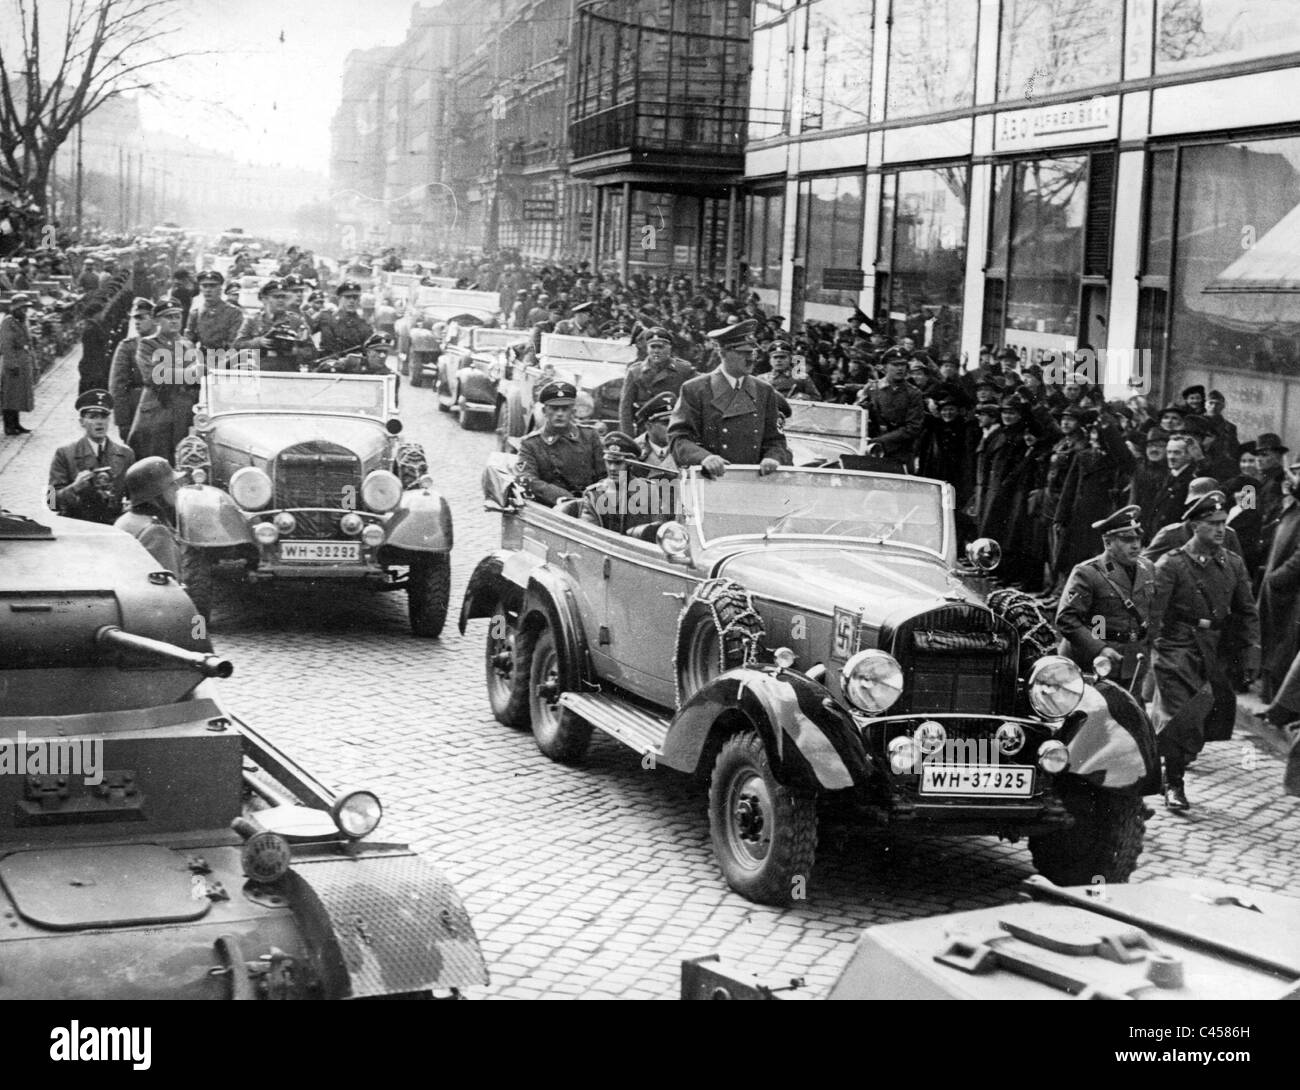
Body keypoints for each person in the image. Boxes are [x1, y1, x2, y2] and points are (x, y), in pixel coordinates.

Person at [1148, 491, 1260, 812]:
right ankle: (1175, 784)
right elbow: (1154, 614)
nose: (1221, 529)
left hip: (1214, 648)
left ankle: (1171, 759)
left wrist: (1251, 652)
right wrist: (1149, 650)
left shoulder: (1233, 565)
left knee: (1201, 718)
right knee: (1181, 714)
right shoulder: (1171, 565)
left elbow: (1247, 611)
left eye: (1223, 523)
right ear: (1195, 526)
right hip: (1176, 645)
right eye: (1212, 523)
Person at [668, 321, 791, 477]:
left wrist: (773, 458)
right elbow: (678, 439)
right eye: (743, 353)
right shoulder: (695, 389)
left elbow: (776, 440)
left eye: (752, 353)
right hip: (710, 482)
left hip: (753, 482)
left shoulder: (764, 390)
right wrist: (705, 458)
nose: (751, 359)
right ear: (723, 353)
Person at [1055, 504, 1154, 688]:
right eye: (1127, 540)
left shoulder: (1147, 569)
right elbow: (1066, 619)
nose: (1136, 545)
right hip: (1094, 664)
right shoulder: (1088, 573)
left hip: (1133, 662)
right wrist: (1100, 648)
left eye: (1138, 538)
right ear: (1108, 543)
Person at [127, 297, 199, 463]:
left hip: (182, 414)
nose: (174, 321)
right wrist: (191, 373)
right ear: (157, 320)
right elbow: (156, 376)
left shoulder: (187, 345)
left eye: (177, 316)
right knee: (153, 464)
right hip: (156, 414)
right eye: (169, 317)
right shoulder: (148, 345)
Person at [48, 389, 135, 524]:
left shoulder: (126, 454)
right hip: (78, 524)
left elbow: (135, 495)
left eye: (103, 416)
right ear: (82, 422)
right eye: (93, 417)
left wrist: (132, 505)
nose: (99, 422)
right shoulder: (65, 453)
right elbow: (51, 502)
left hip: (113, 526)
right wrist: (74, 487)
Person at [516, 380, 606, 506]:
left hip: (590, 505)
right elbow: (527, 479)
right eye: (554, 408)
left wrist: (595, 498)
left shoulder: (590, 436)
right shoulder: (531, 444)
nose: (559, 414)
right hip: (552, 507)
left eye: (565, 409)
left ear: (573, 411)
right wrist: (565, 497)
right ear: (544, 411)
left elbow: (604, 474)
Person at [1257, 458, 1300, 704]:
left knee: (1282, 646)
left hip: (1284, 587)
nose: (1254, 463)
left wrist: (1276, 578)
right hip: (1274, 579)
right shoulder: (1251, 485)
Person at [1143, 477, 1243, 563]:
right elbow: (1144, 566)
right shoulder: (1171, 534)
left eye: (1211, 507)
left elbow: (1240, 574)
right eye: (1197, 505)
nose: (1203, 510)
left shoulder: (1228, 534)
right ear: (1190, 507)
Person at [114, 455, 186, 574]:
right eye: (171, 484)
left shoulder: (125, 519)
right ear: (155, 492)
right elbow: (168, 587)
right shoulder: (157, 533)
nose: (177, 488)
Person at [619, 326, 694, 435]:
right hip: (645, 430)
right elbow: (625, 408)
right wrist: (629, 437)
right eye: (652, 347)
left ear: (669, 348)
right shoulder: (635, 372)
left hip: (675, 428)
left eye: (660, 347)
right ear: (647, 348)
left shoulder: (683, 370)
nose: (656, 351)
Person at [578, 431, 653, 534]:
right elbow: (588, 535)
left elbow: (655, 533)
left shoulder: (649, 492)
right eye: (609, 462)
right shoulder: (593, 495)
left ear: (631, 464)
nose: (612, 468)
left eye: (618, 463)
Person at [860, 347, 925, 465]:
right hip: (871, 451)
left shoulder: (913, 393)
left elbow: (913, 428)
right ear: (884, 367)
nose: (900, 368)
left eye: (903, 364)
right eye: (895, 365)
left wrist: (881, 440)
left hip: (899, 453)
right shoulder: (872, 388)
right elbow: (858, 416)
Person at [234, 279, 314, 373]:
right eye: (276, 297)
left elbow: (312, 351)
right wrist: (259, 342)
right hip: (258, 372)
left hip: (287, 373)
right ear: (265, 299)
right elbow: (237, 345)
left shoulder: (296, 322)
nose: (281, 300)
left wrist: (294, 351)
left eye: (283, 297)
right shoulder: (253, 321)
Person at [107, 298, 156, 437]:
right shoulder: (127, 347)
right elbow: (117, 386)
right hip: (136, 411)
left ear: (154, 319)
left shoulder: (165, 344)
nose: (137, 322)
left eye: (142, 318)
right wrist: (122, 421)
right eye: (135, 318)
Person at [1, 292, 37, 435]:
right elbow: (6, 345)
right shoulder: (8, 322)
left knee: (19, 395)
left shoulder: (22, 321)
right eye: (22, 308)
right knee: (10, 396)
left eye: (26, 308)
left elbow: (29, 342)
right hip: (13, 363)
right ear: (15, 308)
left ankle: (16, 423)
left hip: (23, 361)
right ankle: (9, 426)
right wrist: (12, 364)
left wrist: (33, 362)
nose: (25, 311)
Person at [185, 270, 244, 356]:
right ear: (200, 288)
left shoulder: (234, 313)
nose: (208, 290)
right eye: (204, 286)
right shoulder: (195, 313)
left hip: (227, 359)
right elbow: (189, 339)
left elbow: (234, 342)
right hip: (202, 358)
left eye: (213, 286)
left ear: (220, 288)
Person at [635, 391, 677, 470]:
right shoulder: (634, 449)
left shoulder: (686, 447)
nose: (672, 428)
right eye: (666, 423)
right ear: (648, 426)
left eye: (675, 422)